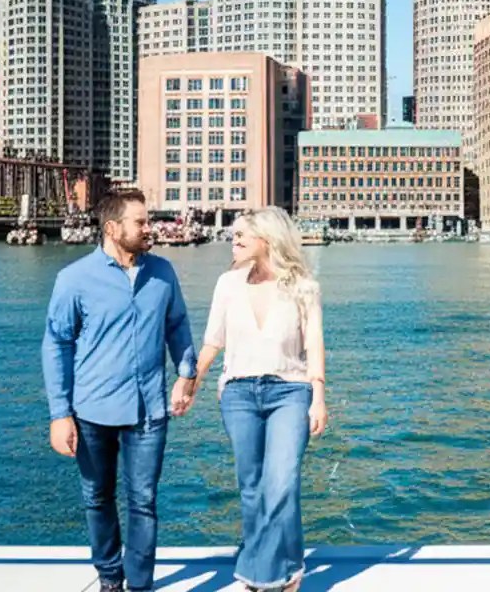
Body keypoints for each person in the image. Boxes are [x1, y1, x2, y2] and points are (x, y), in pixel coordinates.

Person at [41, 189, 198, 592]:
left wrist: (186, 372)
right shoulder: (73, 279)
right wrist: (60, 414)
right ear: (112, 228)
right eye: (140, 222)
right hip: (91, 412)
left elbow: (177, 324)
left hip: (149, 411)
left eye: (149, 221)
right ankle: (110, 577)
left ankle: (140, 585)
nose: (150, 228)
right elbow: (57, 345)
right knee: (97, 497)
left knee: (143, 501)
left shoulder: (163, 273)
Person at [181, 206, 327, 591]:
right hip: (239, 394)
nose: (234, 241)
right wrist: (191, 384)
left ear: (267, 239)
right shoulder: (227, 284)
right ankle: (289, 567)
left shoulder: (303, 286)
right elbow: (213, 341)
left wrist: (318, 396)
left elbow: (314, 343)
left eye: (242, 235)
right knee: (251, 486)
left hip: (290, 391)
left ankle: (256, 574)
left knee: (281, 482)